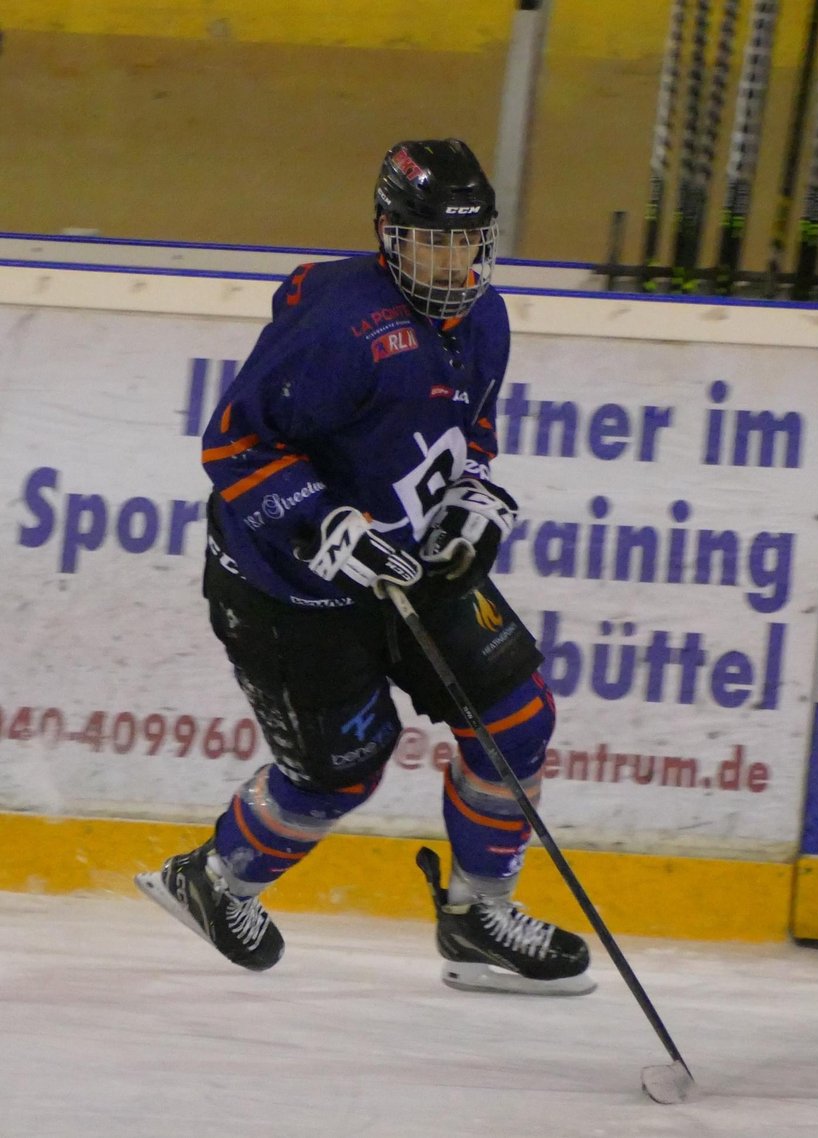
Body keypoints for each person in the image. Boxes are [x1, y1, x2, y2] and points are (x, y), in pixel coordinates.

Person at [135, 138, 593, 996]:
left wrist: (471, 500)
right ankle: (215, 881)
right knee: (340, 773)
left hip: (407, 563)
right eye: (434, 243)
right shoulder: (341, 328)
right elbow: (234, 445)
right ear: (390, 236)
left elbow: (468, 427)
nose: (455, 264)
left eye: (469, 242)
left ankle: (478, 917)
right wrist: (325, 525)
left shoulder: (485, 319)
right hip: (287, 587)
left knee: (517, 715)